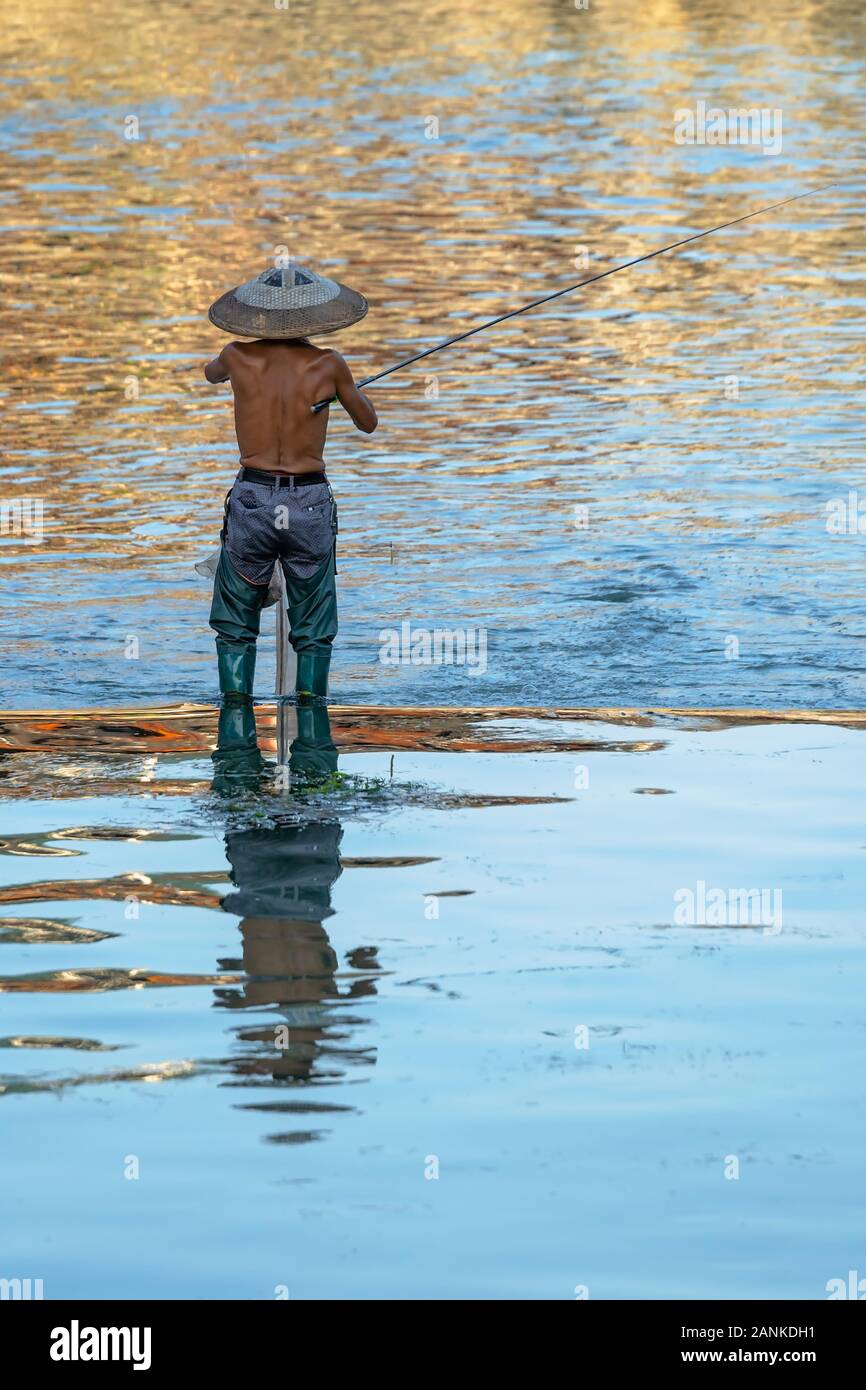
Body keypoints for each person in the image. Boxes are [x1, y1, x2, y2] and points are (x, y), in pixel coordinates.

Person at [203, 261, 377, 744]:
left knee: (236, 623)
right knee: (313, 625)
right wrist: (344, 392)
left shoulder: (236, 355)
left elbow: (210, 374)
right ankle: (312, 730)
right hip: (309, 502)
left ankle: (235, 731)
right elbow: (368, 423)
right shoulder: (330, 365)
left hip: (254, 499)